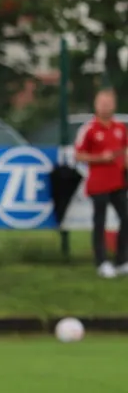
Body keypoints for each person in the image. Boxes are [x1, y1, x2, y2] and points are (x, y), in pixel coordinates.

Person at [73, 88, 126, 277]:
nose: (106, 106)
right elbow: (78, 155)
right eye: (103, 103)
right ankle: (101, 262)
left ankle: (122, 260)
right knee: (100, 222)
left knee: (125, 219)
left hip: (119, 182)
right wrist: (100, 157)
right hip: (98, 184)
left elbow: (125, 150)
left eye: (109, 103)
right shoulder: (89, 129)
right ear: (96, 105)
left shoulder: (120, 128)